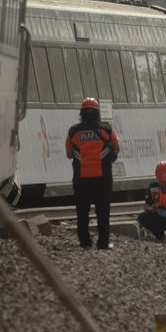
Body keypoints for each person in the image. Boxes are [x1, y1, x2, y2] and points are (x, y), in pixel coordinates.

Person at [66, 97, 120, 250]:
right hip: (103, 177)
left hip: (81, 178)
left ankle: (85, 242)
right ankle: (103, 243)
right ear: (98, 112)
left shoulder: (73, 131)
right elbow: (116, 148)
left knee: (82, 211)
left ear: (81, 113)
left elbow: (69, 154)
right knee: (103, 211)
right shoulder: (107, 130)